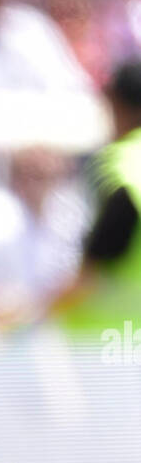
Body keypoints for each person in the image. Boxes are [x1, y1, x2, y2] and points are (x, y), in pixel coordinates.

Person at [47, 60, 141, 333]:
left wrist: (30, 317)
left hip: (107, 344)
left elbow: (95, 270)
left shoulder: (120, 163)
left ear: (114, 103)